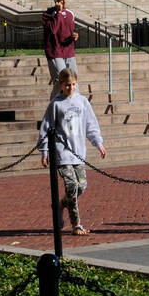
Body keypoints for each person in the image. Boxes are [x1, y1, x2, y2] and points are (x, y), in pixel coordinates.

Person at [38, 67, 106, 236]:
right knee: (71, 185)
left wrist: (98, 143)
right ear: (61, 84)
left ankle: (61, 204)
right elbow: (47, 128)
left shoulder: (82, 102)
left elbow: (91, 124)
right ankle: (76, 225)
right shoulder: (56, 104)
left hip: (78, 153)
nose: (71, 88)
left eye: (74, 84)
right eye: (67, 85)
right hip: (62, 153)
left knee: (81, 186)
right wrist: (45, 151)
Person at [41, 0, 78, 97]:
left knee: (73, 81)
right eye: (62, 0)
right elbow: (53, 30)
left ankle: (74, 105)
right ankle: (55, 106)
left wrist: (74, 36)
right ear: (56, 0)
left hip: (69, 51)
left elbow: (70, 30)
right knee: (60, 82)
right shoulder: (47, 14)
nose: (64, 2)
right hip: (55, 51)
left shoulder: (70, 14)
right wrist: (58, 13)